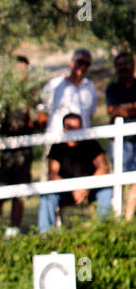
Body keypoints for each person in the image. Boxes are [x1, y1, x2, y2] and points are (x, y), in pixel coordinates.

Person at [37, 112, 113, 232]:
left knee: (106, 191)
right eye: (70, 127)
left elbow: (103, 167)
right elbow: (53, 174)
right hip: (66, 191)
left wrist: (86, 188)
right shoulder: (58, 147)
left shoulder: (90, 143)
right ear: (64, 128)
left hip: (91, 188)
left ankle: (103, 230)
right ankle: (46, 236)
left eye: (77, 127)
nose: (74, 131)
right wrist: (72, 189)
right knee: (47, 196)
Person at [0, 56, 39, 236]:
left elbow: (37, 119)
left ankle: (14, 231)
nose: (21, 73)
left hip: (23, 150)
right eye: (18, 69)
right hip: (3, 150)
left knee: (20, 192)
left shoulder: (31, 94)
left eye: (24, 69)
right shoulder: (0, 93)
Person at [104, 50, 136, 221]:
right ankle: (117, 216)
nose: (122, 67)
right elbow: (112, 111)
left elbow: (119, 110)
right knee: (119, 177)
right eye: (119, 64)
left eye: (126, 64)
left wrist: (124, 109)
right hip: (120, 142)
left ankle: (128, 219)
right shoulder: (113, 89)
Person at [40, 49, 97, 137]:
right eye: (80, 62)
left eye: (87, 64)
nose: (83, 66)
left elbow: (90, 114)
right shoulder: (54, 85)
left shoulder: (90, 87)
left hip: (82, 139)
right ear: (72, 62)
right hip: (56, 138)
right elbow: (43, 112)